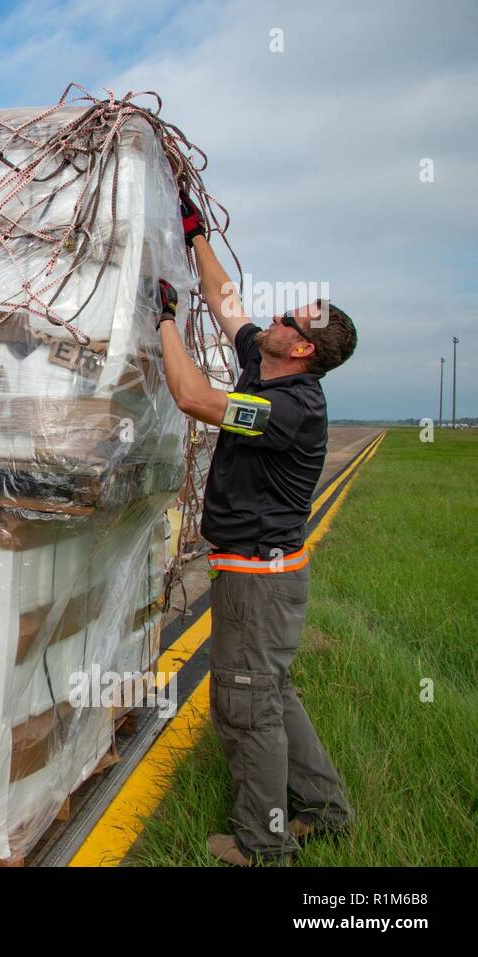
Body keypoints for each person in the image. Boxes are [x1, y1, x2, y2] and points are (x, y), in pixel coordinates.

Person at [156, 193, 358, 866]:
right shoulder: (264, 365)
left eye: (286, 319)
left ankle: (263, 845)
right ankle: (327, 812)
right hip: (270, 578)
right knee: (272, 695)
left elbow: (190, 396)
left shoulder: (288, 409)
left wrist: (161, 321)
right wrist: (196, 236)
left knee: (245, 707)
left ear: (301, 346)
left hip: (258, 582)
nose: (270, 319)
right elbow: (227, 301)